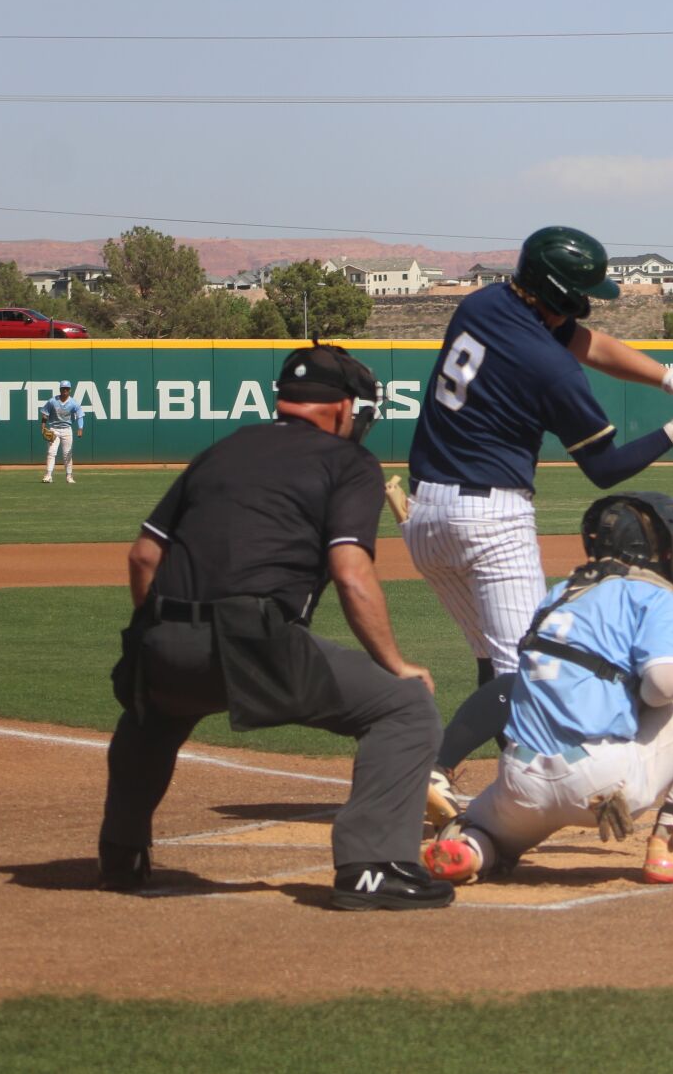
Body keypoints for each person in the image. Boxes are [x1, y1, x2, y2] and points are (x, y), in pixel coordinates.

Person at [98, 344, 454, 911]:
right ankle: (372, 867)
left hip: (163, 635)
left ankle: (120, 854)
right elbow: (351, 572)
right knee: (405, 707)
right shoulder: (347, 463)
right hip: (252, 640)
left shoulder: (222, 450)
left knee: (154, 712)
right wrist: (397, 664)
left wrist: (153, 639)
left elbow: (144, 557)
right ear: (344, 409)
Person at [403, 225, 673, 813]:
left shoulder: (483, 303)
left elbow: (591, 343)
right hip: (488, 520)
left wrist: (670, 378)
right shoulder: (549, 367)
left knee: (497, 660)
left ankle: (503, 787)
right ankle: (436, 768)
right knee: (535, 665)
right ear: (564, 294)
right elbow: (603, 468)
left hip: (425, 518)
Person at [420, 492, 673, 887]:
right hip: (601, 783)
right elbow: (664, 685)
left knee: (490, 830)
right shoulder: (654, 595)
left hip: (521, 780)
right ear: (658, 549)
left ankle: (472, 848)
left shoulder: (561, 593)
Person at [40, 380, 84, 483]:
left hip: (66, 430)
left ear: (70, 390)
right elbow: (45, 414)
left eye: (67, 388)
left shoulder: (73, 403)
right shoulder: (52, 401)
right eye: (63, 388)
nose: (65, 390)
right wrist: (43, 427)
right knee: (51, 452)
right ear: (60, 389)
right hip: (54, 430)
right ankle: (48, 475)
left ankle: (69, 476)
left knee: (67, 454)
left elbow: (80, 415)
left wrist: (80, 428)